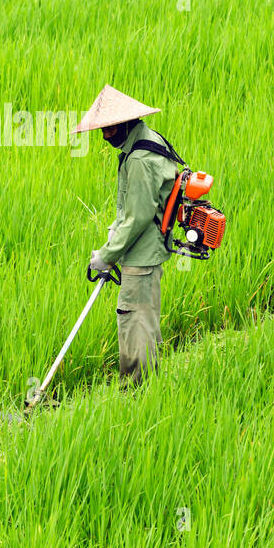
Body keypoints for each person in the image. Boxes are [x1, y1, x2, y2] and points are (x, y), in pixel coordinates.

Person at [73, 85, 178, 384]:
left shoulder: (139, 160)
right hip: (145, 250)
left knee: (135, 322)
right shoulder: (146, 140)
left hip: (141, 256)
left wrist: (106, 256)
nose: (106, 136)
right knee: (144, 320)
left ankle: (136, 390)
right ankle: (149, 384)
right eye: (103, 130)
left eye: (110, 129)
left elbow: (137, 217)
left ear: (126, 122)